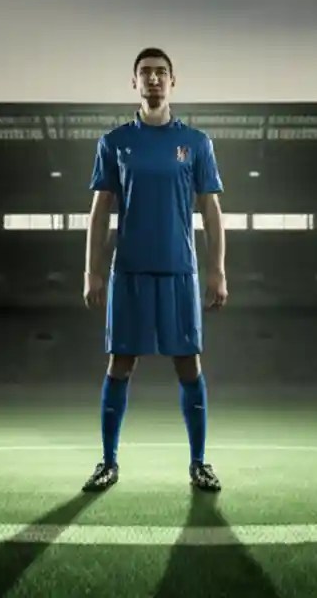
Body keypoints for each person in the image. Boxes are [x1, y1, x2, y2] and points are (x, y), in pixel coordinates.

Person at [81, 47, 227, 493]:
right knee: (119, 364)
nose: (154, 80)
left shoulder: (197, 144)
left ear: (173, 81)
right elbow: (99, 211)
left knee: (189, 365)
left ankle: (199, 463)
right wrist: (92, 271)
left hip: (180, 271)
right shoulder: (114, 142)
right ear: (134, 82)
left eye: (161, 73)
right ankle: (107, 462)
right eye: (146, 73)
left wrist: (217, 269)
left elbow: (212, 209)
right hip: (129, 273)